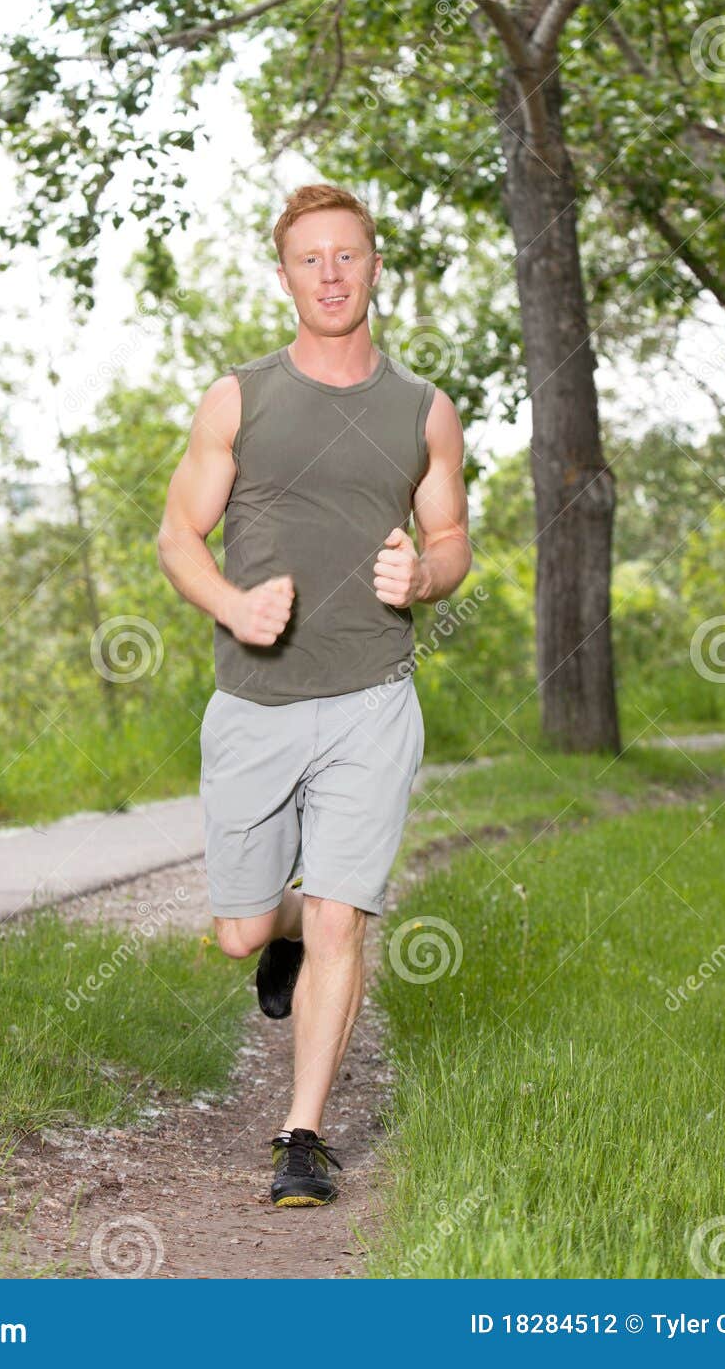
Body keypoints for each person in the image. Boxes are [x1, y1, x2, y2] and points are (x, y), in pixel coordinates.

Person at [157, 183, 471, 1207]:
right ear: (284, 274)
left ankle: (301, 1136)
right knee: (244, 931)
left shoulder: (423, 409)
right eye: (309, 258)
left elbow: (451, 537)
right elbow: (176, 538)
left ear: (375, 265)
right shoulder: (237, 397)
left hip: (372, 696)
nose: (330, 273)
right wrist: (231, 606)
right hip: (254, 701)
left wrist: (422, 578)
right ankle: (276, 933)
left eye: (347, 255)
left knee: (345, 915)